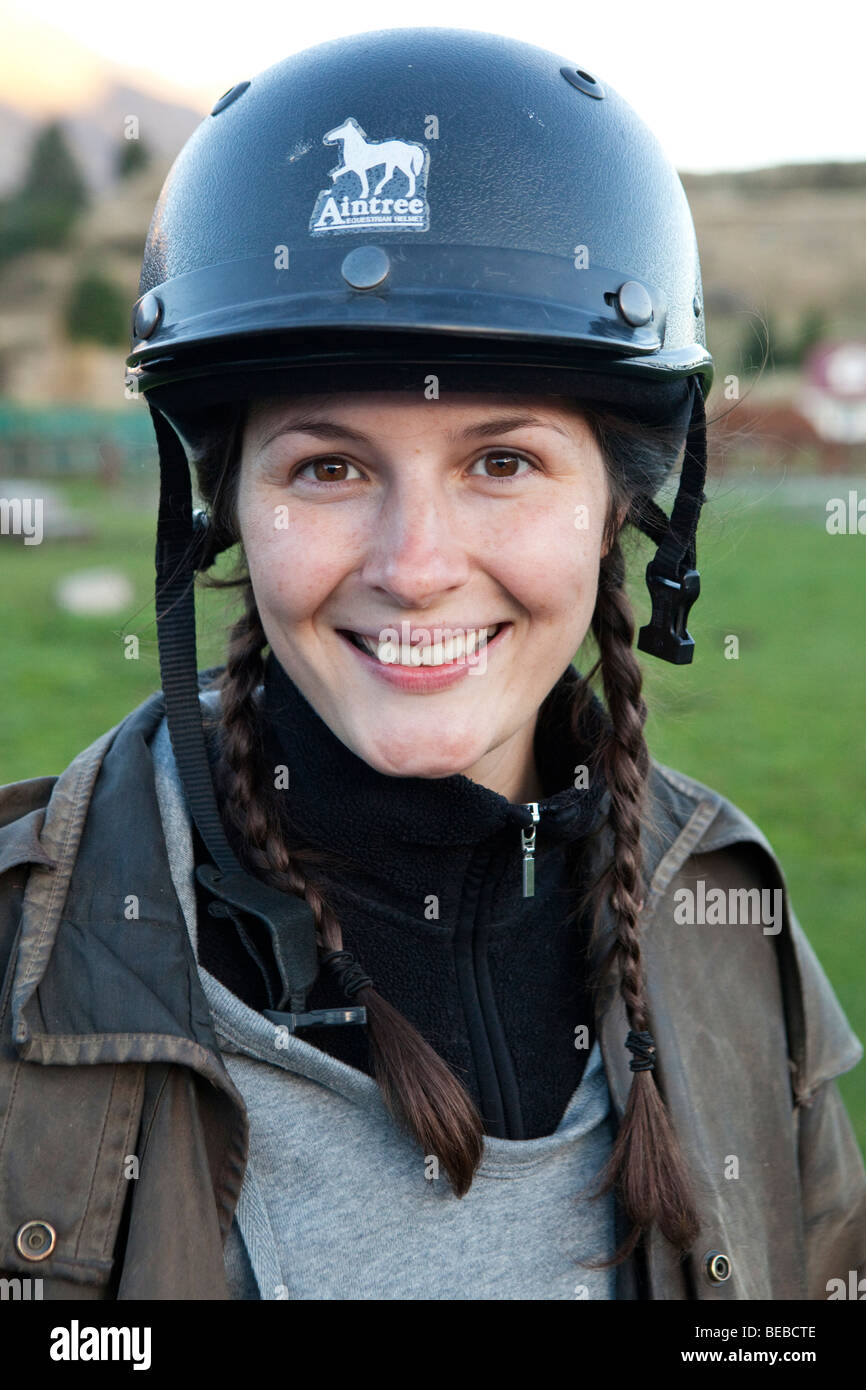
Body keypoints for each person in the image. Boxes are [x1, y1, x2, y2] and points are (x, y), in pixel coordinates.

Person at [0, 27, 863, 1303]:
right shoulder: (23, 944)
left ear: (624, 506)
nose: (413, 564)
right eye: (329, 467)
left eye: (500, 462)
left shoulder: (726, 922)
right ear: (224, 504)